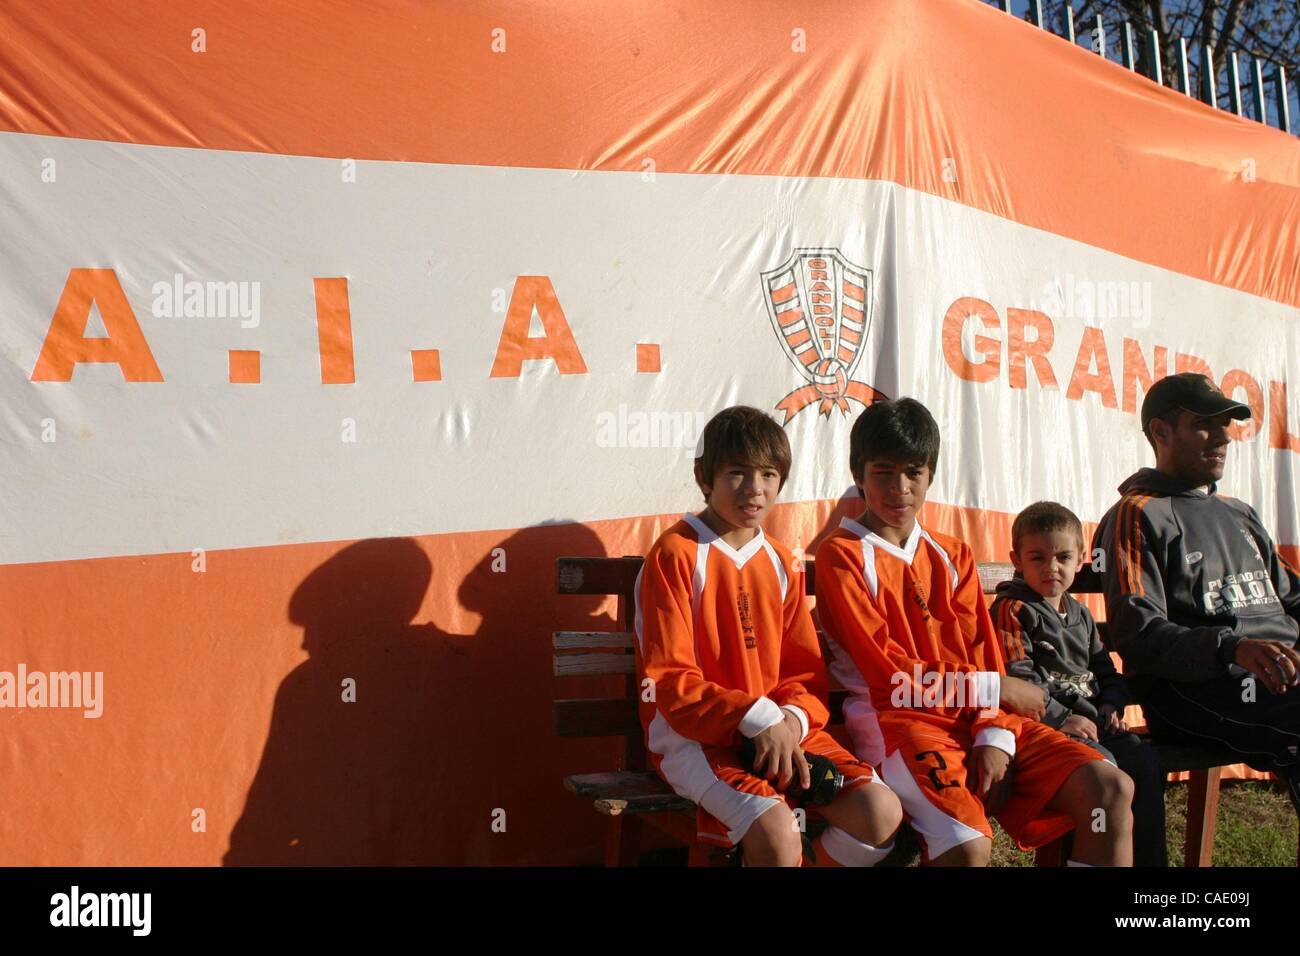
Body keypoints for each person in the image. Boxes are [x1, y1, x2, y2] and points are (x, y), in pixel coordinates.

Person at [815, 397, 1134, 865]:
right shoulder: (840, 555)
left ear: (930, 475)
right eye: (883, 472)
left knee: (1108, 789)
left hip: (979, 716)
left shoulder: (953, 553)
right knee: (967, 845)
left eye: (914, 472)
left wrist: (994, 735)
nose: (899, 488)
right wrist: (995, 690)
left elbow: (984, 656)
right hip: (898, 724)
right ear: (858, 472)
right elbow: (891, 678)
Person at [634, 405, 903, 866]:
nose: (754, 489)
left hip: (780, 735)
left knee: (881, 813)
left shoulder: (781, 560)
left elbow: (803, 676)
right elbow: (670, 682)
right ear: (704, 478)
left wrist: (789, 725)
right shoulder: (675, 554)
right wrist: (758, 719)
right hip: (695, 741)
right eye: (737, 473)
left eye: (768, 474)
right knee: (779, 834)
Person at [1093, 372, 1300, 809]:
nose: (1223, 437)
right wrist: (1233, 648)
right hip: (1199, 691)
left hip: (1278, 681)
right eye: (1205, 424)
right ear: (1161, 432)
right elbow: (1138, 632)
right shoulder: (1138, 513)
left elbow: (1292, 598)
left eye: (1226, 424)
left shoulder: (1239, 513)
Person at [990, 501, 1167, 866]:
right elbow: (1018, 679)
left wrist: (1111, 703)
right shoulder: (1014, 609)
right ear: (1017, 559)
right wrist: (1060, 717)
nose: (1051, 568)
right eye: (1037, 558)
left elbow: (1103, 670)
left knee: (1146, 763)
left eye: (1063, 557)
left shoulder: (1081, 614)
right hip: (1047, 728)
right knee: (1105, 775)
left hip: (1094, 722)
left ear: (1081, 558)